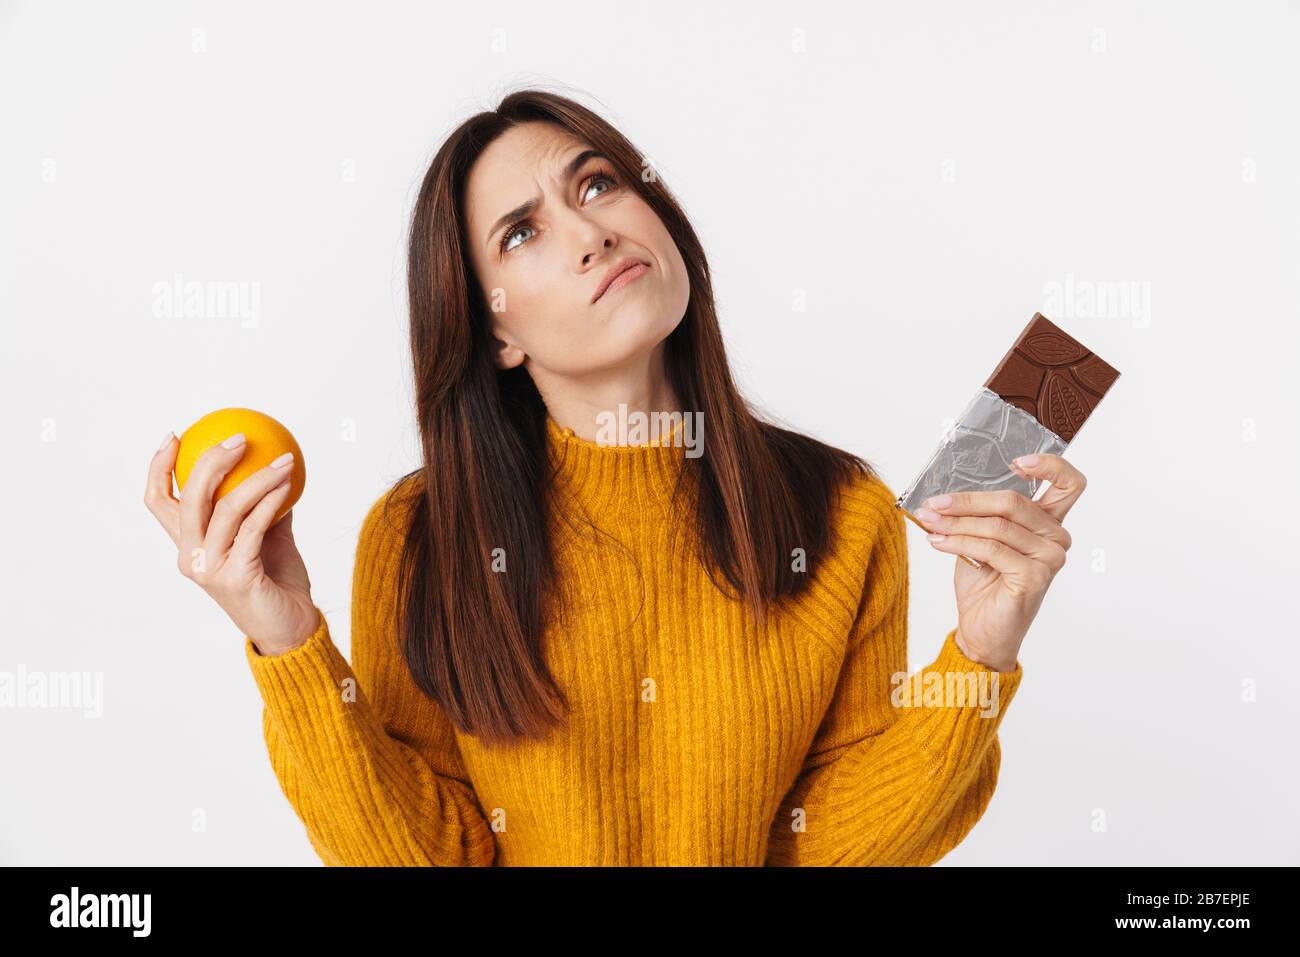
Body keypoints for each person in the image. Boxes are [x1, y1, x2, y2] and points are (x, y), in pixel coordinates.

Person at [143, 89, 1087, 866]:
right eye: (521, 234)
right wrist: (288, 641)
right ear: (497, 332)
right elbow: (431, 857)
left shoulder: (842, 510)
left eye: (595, 184)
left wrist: (981, 655)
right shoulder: (421, 533)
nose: (588, 232)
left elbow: (825, 851)